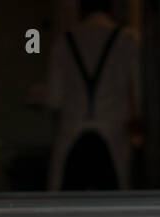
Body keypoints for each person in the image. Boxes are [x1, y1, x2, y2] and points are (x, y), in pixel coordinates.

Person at [45, 0, 142, 191]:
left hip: (72, 127)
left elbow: (54, 98)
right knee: (116, 198)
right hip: (112, 125)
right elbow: (138, 90)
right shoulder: (127, 39)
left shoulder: (64, 40)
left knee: (66, 197)